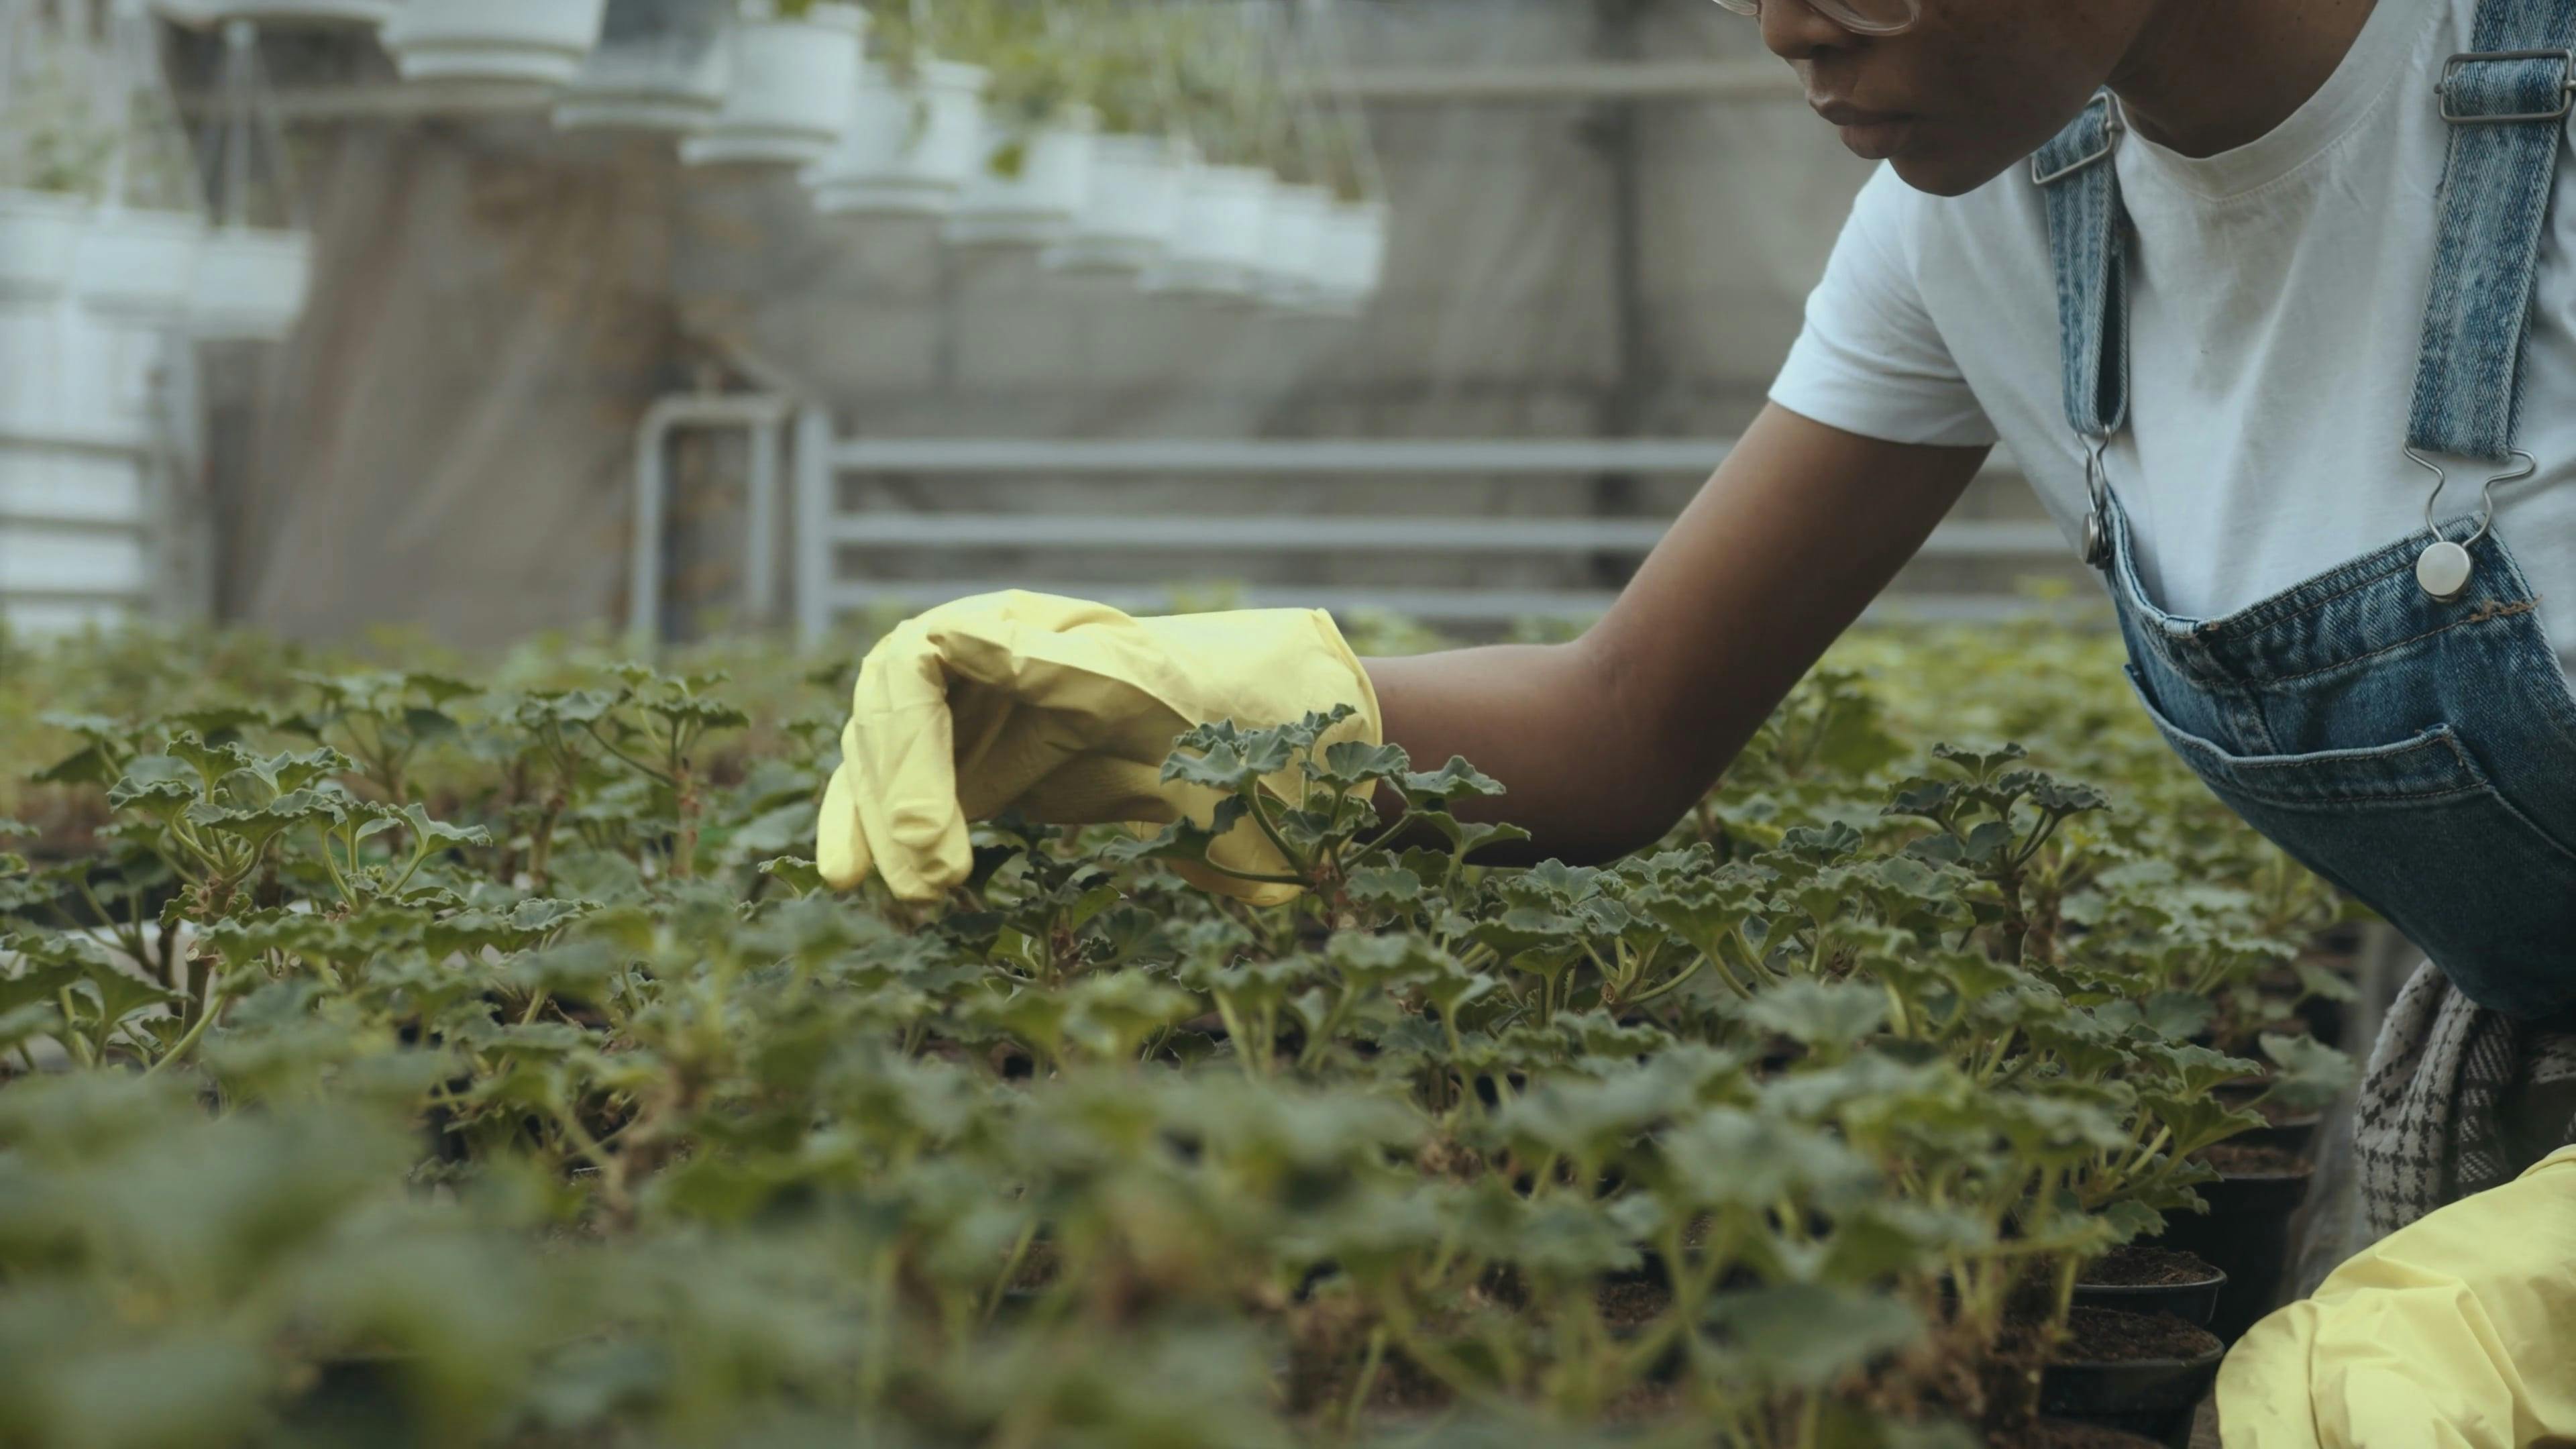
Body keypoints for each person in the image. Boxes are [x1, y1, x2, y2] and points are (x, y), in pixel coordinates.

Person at [816, 0, 2576, 1438]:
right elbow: (1624, 714)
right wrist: (1182, 713)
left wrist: (2535, 1293)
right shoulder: (1988, 225)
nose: (1789, 29)